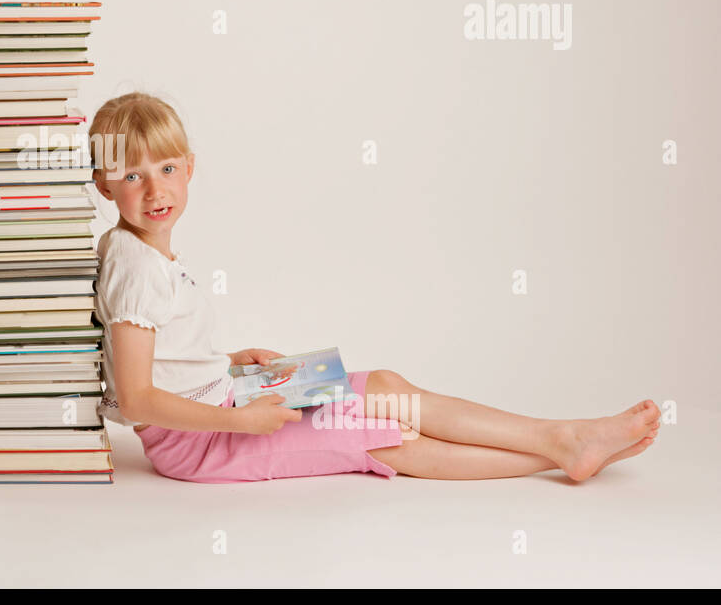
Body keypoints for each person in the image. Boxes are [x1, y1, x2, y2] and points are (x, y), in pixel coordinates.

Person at [88, 91, 660, 482]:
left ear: (189, 168)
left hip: (224, 393)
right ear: (105, 187)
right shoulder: (135, 266)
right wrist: (239, 417)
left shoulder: (139, 251)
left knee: (384, 386)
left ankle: (557, 435)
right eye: (132, 175)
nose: (154, 188)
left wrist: (228, 363)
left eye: (165, 169)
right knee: (385, 432)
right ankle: (561, 450)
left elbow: (159, 352)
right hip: (201, 441)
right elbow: (138, 398)